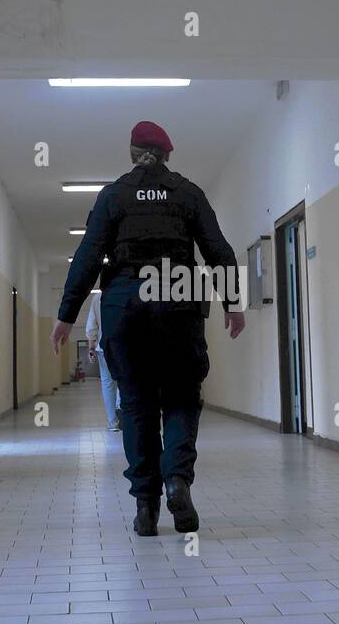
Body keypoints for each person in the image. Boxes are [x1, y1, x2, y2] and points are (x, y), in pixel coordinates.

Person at [51, 120, 245, 536]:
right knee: (180, 398)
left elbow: (88, 255)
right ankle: (177, 479)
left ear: (131, 152)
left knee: (137, 405)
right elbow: (219, 251)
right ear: (168, 155)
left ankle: (145, 508)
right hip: (178, 301)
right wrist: (234, 305)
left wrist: (67, 315)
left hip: (126, 306)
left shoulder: (113, 195)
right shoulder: (188, 193)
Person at [86, 288, 121, 430]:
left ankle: (113, 422)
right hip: (126, 345)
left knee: (108, 384)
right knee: (125, 380)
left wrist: (91, 347)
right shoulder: (130, 290)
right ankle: (122, 410)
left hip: (104, 346)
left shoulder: (97, 297)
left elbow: (91, 325)